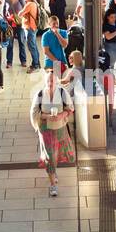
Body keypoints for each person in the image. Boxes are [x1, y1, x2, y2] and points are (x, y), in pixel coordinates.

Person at [30, 66, 75, 198]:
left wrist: (62, 115)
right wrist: (46, 116)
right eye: (49, 82)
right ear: (45, 82)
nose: (51, 84)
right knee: (50, 155)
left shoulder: (62, 93)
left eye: (53, 81)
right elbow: (34, 113)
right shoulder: (39, 94)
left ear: (57, 82)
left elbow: (70, 108)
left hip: (60, 127)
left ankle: (53, 171)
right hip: (45, 129)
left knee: (57, 153)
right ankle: (53, 185)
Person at [0, 0, 27, 70]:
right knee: (10, 43)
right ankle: (9, 62)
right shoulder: (6, 0)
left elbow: (25, 10)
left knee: (21, 42)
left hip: (19, 24)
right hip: (10, 25)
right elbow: (3, 12)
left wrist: (20, 17)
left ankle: (23, 61)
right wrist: (6, 19)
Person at [21, 0, 42, 72]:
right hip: (33, 27)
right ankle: (37, 63)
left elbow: (20, 13)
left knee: (32, 47)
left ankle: (35, 65)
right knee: (34, 46)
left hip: (30, 27)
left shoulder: (29, 4)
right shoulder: (35, 3)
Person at [102, 9, 116, 85]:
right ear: (108, 17)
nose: (114, 19)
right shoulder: (106, 25)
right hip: (111, 46)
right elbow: (108, 37)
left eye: (114, 17)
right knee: (111, 64)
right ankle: (112, 79)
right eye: (112, 17)